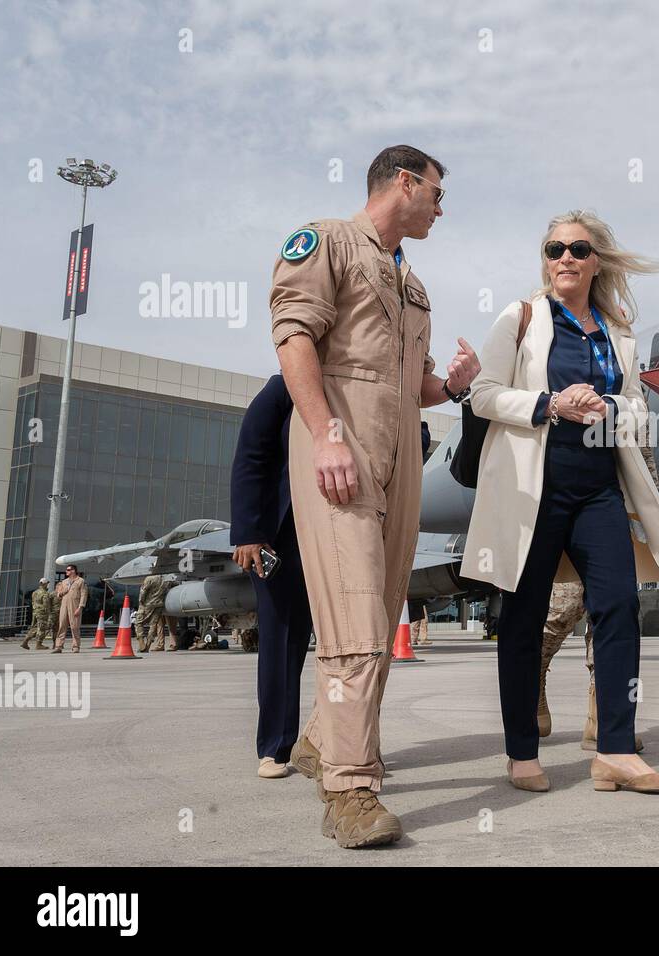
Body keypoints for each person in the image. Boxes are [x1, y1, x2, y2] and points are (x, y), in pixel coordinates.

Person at [269, 145, 479, 848]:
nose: (441, 210)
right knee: (356, 619)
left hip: (402, 448)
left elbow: (416, 382)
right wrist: (326, 435)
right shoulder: (327, 240)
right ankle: (350, 791)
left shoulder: (412, 284)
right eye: (438, 195)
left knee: (384, 615)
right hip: (342, 437)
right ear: (405, 182)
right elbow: (294, 336)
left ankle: (317, 741)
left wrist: (451, 383)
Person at [463, 209, 659, 795]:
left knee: (618, 608)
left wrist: (606, 406)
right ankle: (522, 752)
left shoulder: (618, 332)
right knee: (522, 619)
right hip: (532, 490)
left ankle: (616, 751)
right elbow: (483, 394)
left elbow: (640, 408)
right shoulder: (520, 317)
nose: (563, 258)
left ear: (597, 262)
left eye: (576, 249)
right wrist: (549, 405)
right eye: (553, 249)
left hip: (598, 490)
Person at [538, 443, 659, 750]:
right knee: (566, 605)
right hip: (571, 498)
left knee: (614, 613)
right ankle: (533, 676)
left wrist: (651, 507)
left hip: (616, 502)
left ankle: (601, 717)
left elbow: (641, 445)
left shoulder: (634, 394)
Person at [230, 373, 314, 780]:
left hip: (342, 534)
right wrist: (249, 532)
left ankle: (341, 742)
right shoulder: (284, 387)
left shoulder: (358, 388)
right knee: (283, 640)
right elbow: (252, 456)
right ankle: (276, 747)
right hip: (282, 539)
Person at [51, 566, 87, 653]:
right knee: (62, 625)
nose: (66, 571)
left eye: (68, 570)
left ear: (73, 571)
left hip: (75, 605)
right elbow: (58, 594)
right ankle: (58, 646)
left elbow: (84, 594)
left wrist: (80, 607)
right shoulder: (64, 582)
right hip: (64, 605)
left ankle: (76, 647)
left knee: (74, 626)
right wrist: (64, 591)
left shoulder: (80, 581)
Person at [135, 574, 169, 653]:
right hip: (159, 604)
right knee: (153, 625)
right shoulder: (167, 579)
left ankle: (141, 641)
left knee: (138, 623)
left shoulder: (149, 578)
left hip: (147, 604)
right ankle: (148, 645)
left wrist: (141, 601)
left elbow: (143, 591)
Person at [20, 579, 53, 650]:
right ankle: (39, 644)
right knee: (41, 628)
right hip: (42, 613)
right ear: (44, 584)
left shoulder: (34, 592)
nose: (47, 585)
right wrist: (49, 614)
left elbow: (33, 603)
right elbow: (46, 605)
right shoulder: (45, 593)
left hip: (35, 612)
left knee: (35, 628)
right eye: (47, 584)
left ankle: (25, 642)